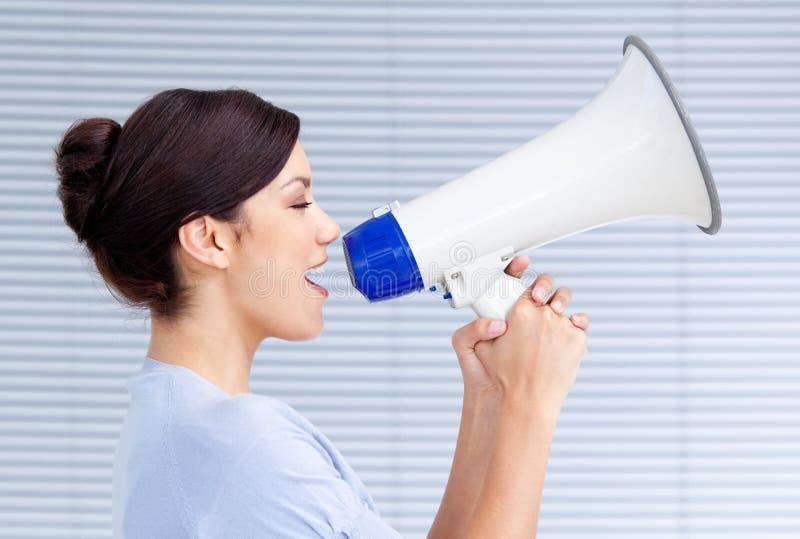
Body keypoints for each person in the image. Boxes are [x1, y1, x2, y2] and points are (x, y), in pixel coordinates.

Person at [55, 88, 590, 538]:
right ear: (209, 238)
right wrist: (531, 404)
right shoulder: (243, 443)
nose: (329, 228)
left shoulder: (173, 422)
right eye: (298, 202)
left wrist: (492, 397)